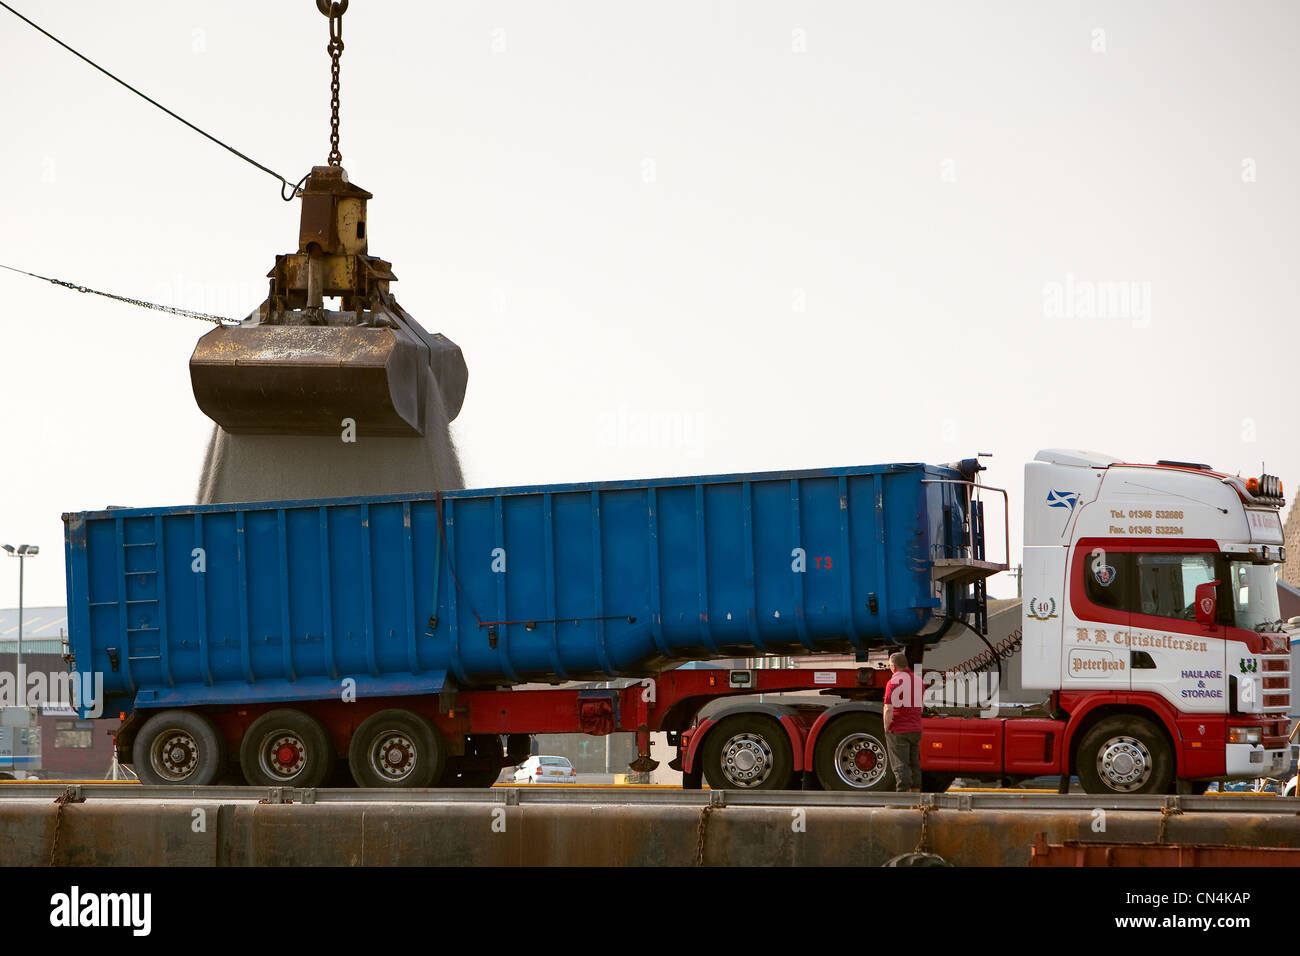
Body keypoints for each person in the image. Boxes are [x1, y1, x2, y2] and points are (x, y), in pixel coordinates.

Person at [883, 651, 923, 792]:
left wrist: (886, 728)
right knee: (914, 764)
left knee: (900, 765)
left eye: (889, 666)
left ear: (893, 667)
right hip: (916, 728)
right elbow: (920, 705)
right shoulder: (919, 681)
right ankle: (916, 797)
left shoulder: (893, 682)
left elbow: (888, 709)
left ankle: (903, 800)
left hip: (899, 729)